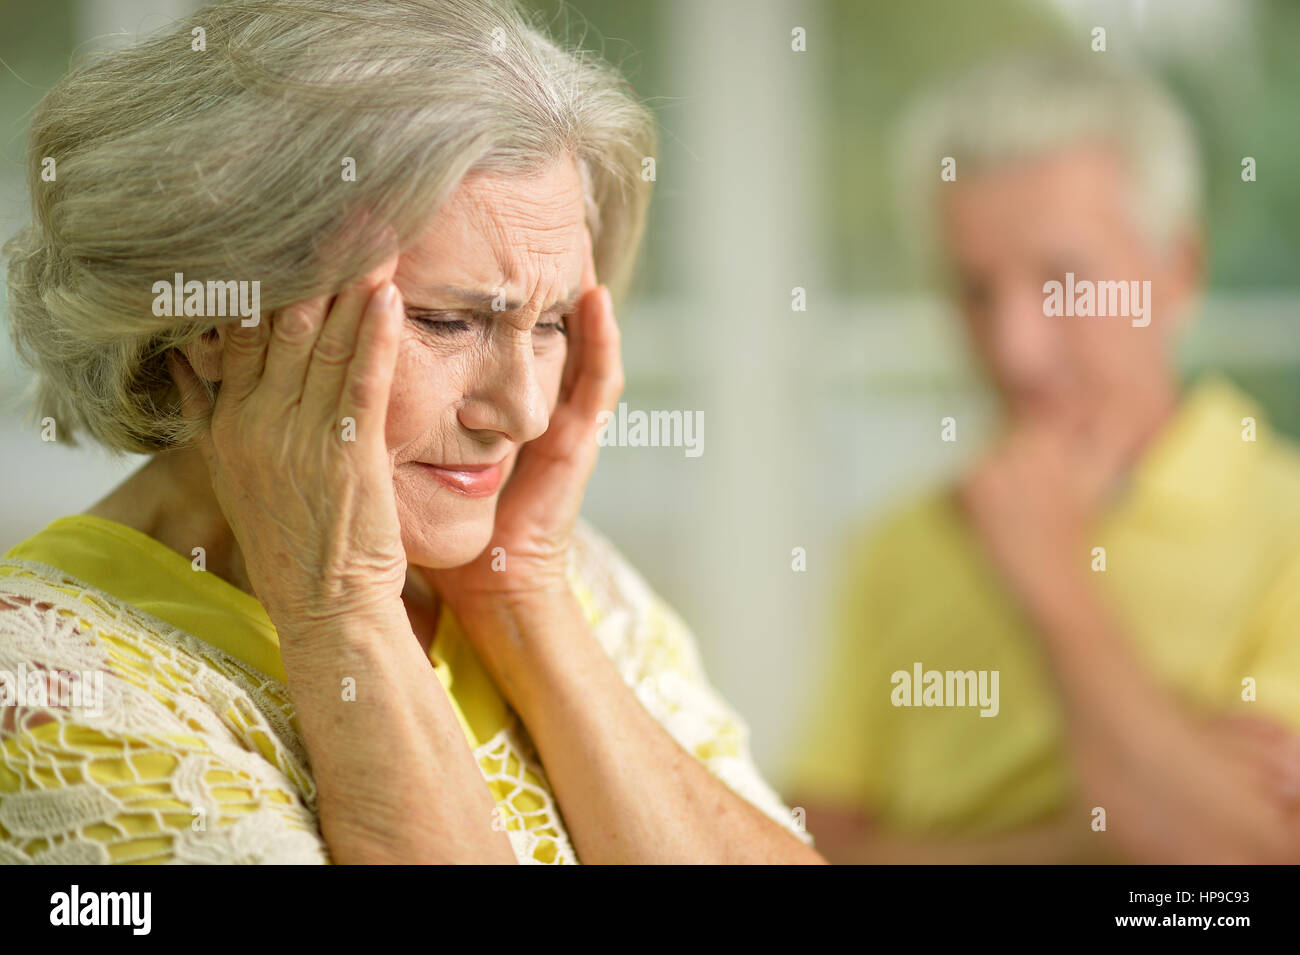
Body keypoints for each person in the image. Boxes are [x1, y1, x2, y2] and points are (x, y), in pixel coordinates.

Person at [0, 0, 820, 865]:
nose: (526, 412)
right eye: (447, 322)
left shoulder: (578, 583)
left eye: (550, 327)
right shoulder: (43, 678)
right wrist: (341, 610)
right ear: (218, 325)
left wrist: (525, 603)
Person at [786, 56, 1300, 864]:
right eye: (976, 291)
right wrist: (1098, 837)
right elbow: (803, 850)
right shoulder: (902, 543)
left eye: (1063, 279)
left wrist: (1052, 578)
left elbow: (1243, 861)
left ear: (1181, 270)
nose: (1015, 349)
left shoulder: (1290, 529)